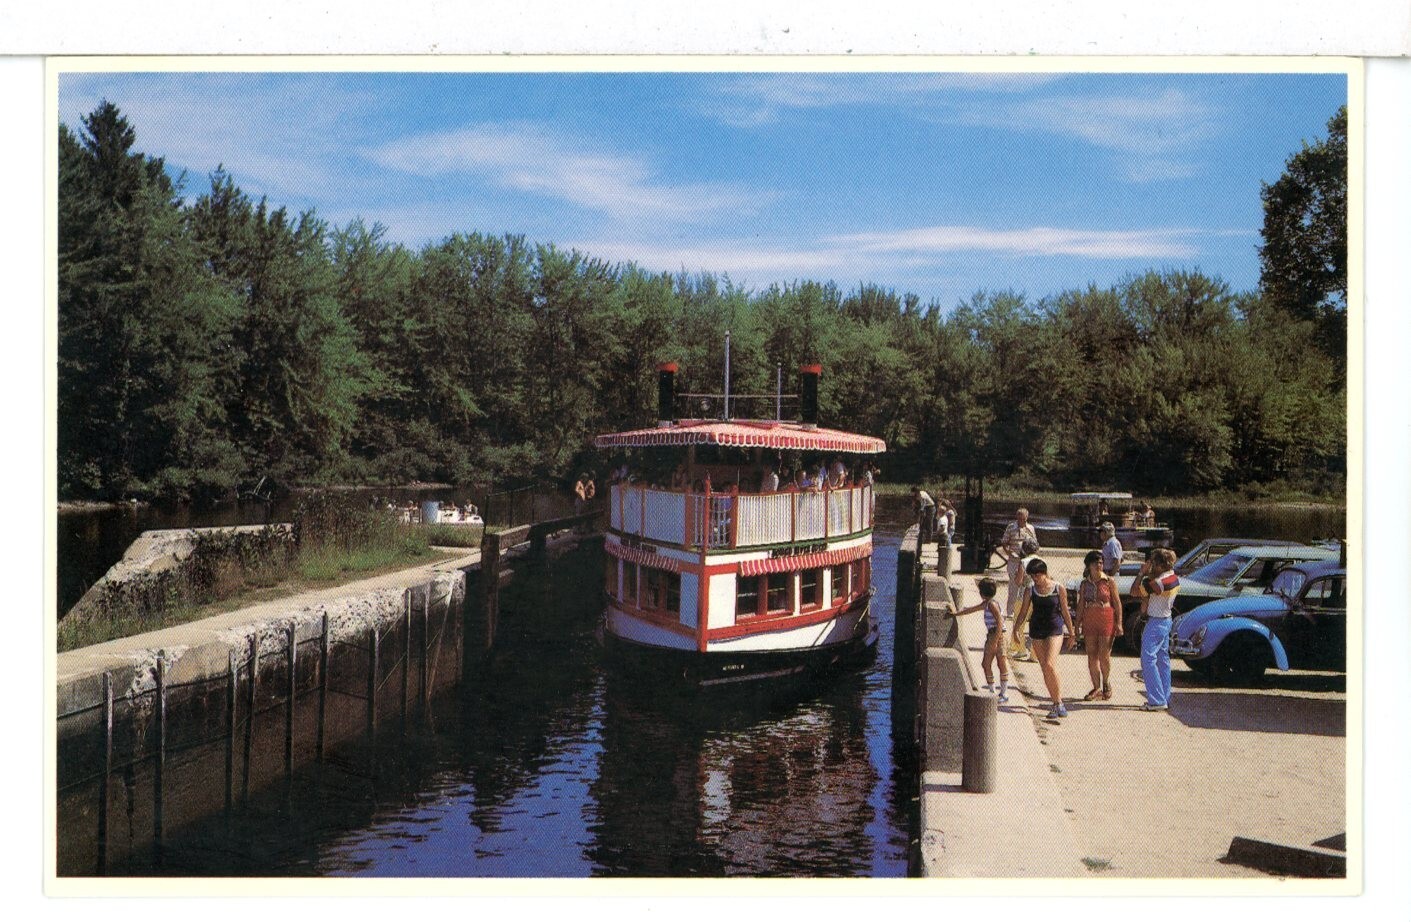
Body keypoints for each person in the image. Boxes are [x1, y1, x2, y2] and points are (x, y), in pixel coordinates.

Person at [1012, 557, 1075, 719]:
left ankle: (1059, 702)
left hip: (1055, 629)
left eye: (1037, 576)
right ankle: (1056, 704)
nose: (1035, 579)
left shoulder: (1058, 588)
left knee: (1049, 664)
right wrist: (1016, 630)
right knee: (1045, 668)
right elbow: (1024, 612)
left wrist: (1072, 632)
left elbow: (1065, 612)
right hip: (1037, 630)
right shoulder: (1030, 590)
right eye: (1032, 576)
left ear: (1044, 573)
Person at [1132, 547, 1180, 711]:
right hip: (1166, 619)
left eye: (1152, 562)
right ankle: (1164, 696)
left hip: (1156, 622)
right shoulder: (1173, 578)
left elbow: (1134, 591)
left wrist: (1141, 573)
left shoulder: (1158, 583)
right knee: (1163, 660)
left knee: (1148, 659)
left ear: (1159, 564)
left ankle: (1156, 699)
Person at [952, 577, 1009, 702]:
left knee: (1001, 662)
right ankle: (992, 691)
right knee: (986, 664)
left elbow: (1000, 621)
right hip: (992, 635)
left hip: (998, 635)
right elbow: (971, 609)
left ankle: (1003, 693)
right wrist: (955, 613)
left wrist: (995, 640)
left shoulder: (992, 604)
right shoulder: (987, 603)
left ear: (982, 592)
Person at [1077, 550, 1122, 701]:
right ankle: (1096, 687)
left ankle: (1106, 682)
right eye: (1096, 562)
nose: (1099, 565)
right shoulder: (1084, 583)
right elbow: (1081, 604)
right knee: (1091, 654)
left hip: (1106, 616)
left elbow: (1117, 603)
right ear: (1088, 565)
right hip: (1090, 617)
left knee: (1104, 654)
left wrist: (1119, 623)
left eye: (1101, 562)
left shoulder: (1109, 581)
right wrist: (1076, 625)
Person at [997, 508, 1038, 619]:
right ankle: (1010, 612)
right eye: (1020, 519)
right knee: (1013, 587)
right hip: (1014, 561)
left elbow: (1035, 544)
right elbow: (1004, 543)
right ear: (1017, 518)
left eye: (1024, 520)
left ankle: (1026, 612)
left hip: (1027, 561)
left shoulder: (1030, 528)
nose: (1022, 522)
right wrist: (1009, 553)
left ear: (1027, 518)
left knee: (1028, 587)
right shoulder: (1011, 527)